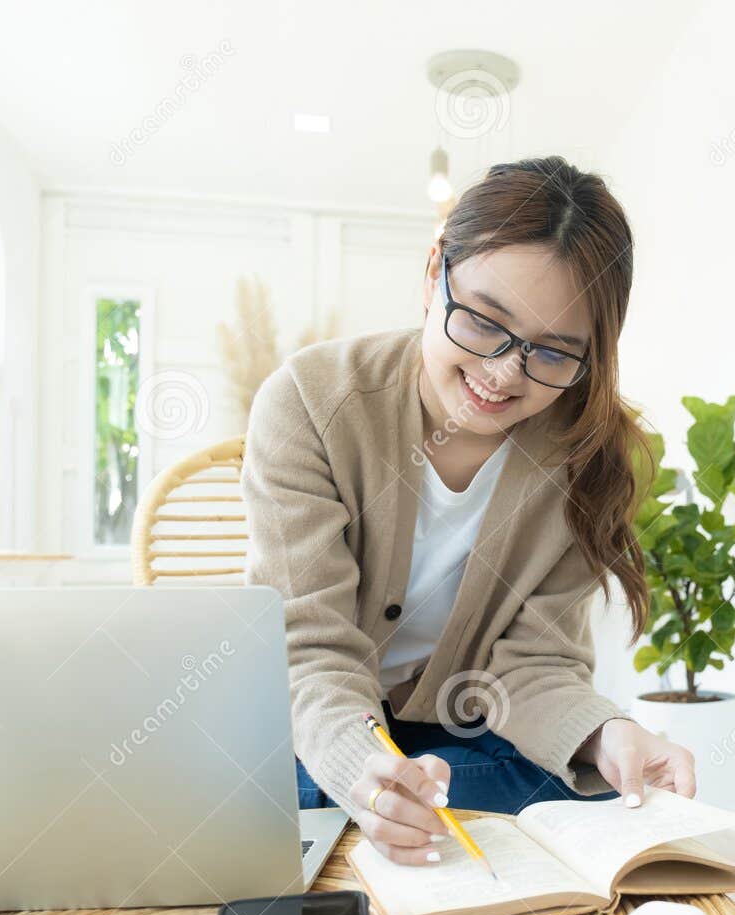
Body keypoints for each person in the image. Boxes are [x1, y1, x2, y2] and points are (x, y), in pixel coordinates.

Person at [243, 156, 695, 866]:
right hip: (328, 731)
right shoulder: (308, 401)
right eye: (485, 322)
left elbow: (537, 667)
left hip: (473, 744)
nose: (504, 374)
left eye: (553, 352)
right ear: (434, 275)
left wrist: (607, 734)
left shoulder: (590, 453)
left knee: (585, 796)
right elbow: (312, 653)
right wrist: (367, 772)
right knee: (280, 789)